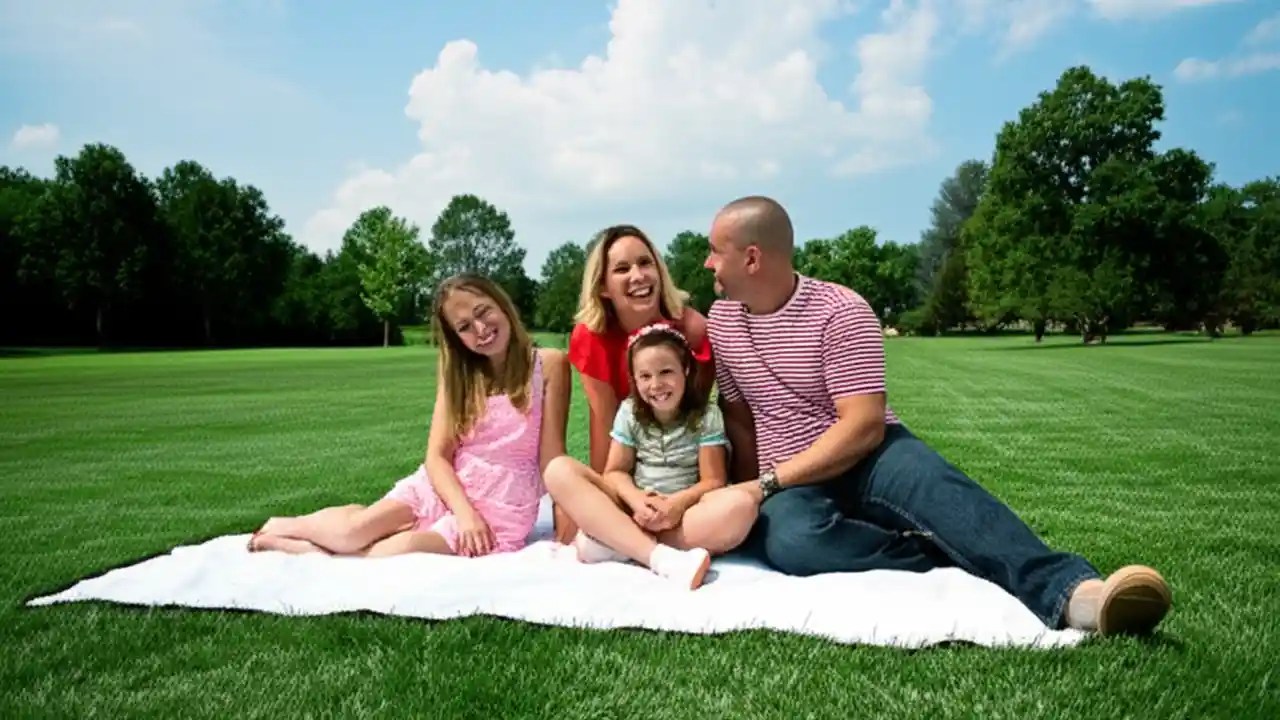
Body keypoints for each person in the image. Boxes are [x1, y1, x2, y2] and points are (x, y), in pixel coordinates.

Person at [701, 195, 1172, 636]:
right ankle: (937, 552)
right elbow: (739, 419)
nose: (707, 263)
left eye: (713, 251)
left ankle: (1077, 595)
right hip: (792, 478)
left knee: (944, 493)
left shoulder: (840, 310)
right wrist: (746, 499)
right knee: (793, 542)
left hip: (870, 453)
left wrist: (762, 485)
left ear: (752, 258)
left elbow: (862, 425)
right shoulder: (722, 322)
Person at [248, 273, 574, 558]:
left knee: (395, 552)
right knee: (353, 533)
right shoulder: (460, 376)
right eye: (464, 327)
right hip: (445, 489)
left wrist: (567, 525)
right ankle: (289, 526)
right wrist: (464, 513)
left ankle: (298, 546)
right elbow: (437, 457)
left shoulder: (549, 364)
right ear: (457, 339)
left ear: (502, 304)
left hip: (502, 505)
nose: (480, 328)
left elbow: (552, 459)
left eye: (483, 311)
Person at [542, 323, 758, 590]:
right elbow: (615, 472)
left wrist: (675, 505)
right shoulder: (630, 411)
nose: (656, 385)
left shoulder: (705, 415)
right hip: (634, 508)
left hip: (684, 512)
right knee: (558, 469)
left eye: (666, 372)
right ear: (634, 379)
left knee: (741, 506)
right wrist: (636, 500)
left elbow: (713, 481)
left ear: (686, 371)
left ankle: (618, 542)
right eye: (645, 376)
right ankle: (662, 558)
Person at [568, 224, 715, 476]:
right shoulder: (591, 337)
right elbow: (605, 423)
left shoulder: (693, 330)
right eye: (622, 269)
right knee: (563, 475)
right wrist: (611, 490)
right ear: (603, 287)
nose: (638, 276)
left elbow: (698, 419)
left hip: (685, 469)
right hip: (624, 466)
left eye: (645, 263)